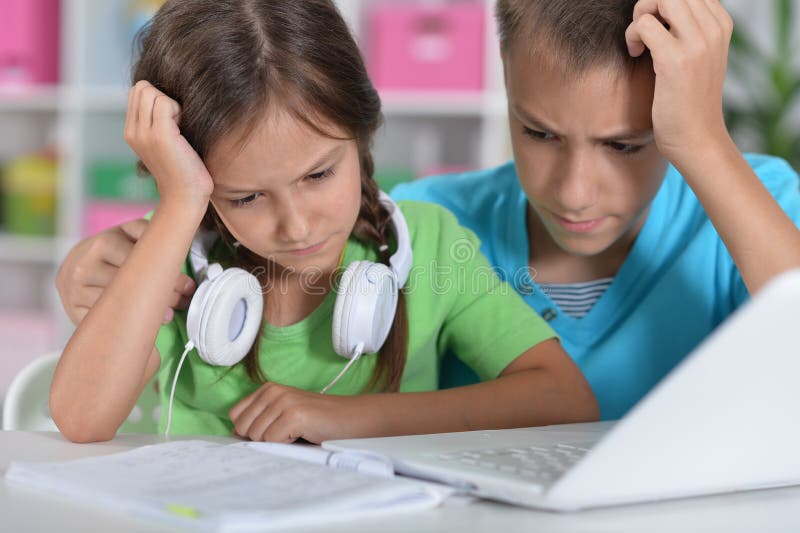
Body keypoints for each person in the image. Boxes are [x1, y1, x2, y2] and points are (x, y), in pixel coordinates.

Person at [57, 0, 800, 421]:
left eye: (628, 144)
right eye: (538, 132)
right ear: (503, 76)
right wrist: (130, 260)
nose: (576, 191)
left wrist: (702, 142)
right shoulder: (415, 224)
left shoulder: (747, 201)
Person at [49, 0, 598, 444]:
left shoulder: (430, 244)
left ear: (360, 135)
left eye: (318, 175)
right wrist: (179, 204)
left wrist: (349, 418)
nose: (296, 227)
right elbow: (82, 419)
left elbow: (564, 398)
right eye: (246, 197)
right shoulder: (172, 262)